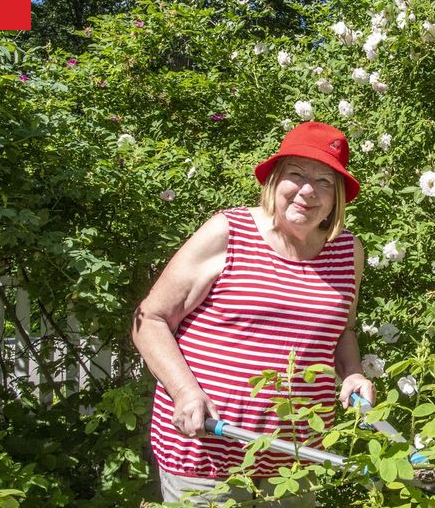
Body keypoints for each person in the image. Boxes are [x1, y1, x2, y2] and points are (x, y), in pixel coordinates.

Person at [132, 122, 375, 505]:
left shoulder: (347, 251)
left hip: (296, 462)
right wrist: (185, 393)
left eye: (324, 181)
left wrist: (353, 372)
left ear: (337, 197)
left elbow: (342, 330)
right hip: (207, 453)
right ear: (275, 180)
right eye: (296, 174)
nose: (307, 191)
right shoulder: (229, 232)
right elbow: (150, 320)